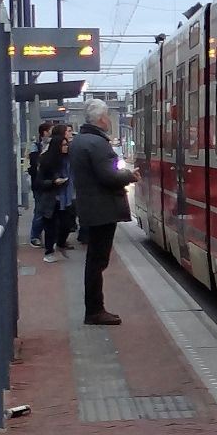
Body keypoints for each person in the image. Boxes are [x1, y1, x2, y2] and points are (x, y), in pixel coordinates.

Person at [69, 99, 140, 326]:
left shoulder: (80, 141)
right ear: (101, 118)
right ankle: (95, 310)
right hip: (103, 209)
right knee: (98, 262)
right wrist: (130, 176)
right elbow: (108, 176)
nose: (109, 120)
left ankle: (95, 309)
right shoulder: (98, 144)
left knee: (95, 260)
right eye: (107, 116)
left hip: (91, 208)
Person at [34, 135, 73, 263]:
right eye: (63, 145)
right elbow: (38, 182)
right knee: (50, 226)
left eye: (67, 145)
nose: (66, 147)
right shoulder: (47, 161)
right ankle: (49, 251)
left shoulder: (68, 160)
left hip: (66, 197)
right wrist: (53, 182)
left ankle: (60, 244)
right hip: (50, 199)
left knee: (67, 223)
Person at [28, 122, 53, 246]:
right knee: (39, 210)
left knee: (49, 211)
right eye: (50, 130)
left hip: (50, 183)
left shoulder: (53, 144)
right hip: (39, 183)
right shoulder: (36, 146)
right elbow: (35, 163)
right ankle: (35, 236)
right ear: (44, 132)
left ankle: (47, 237)